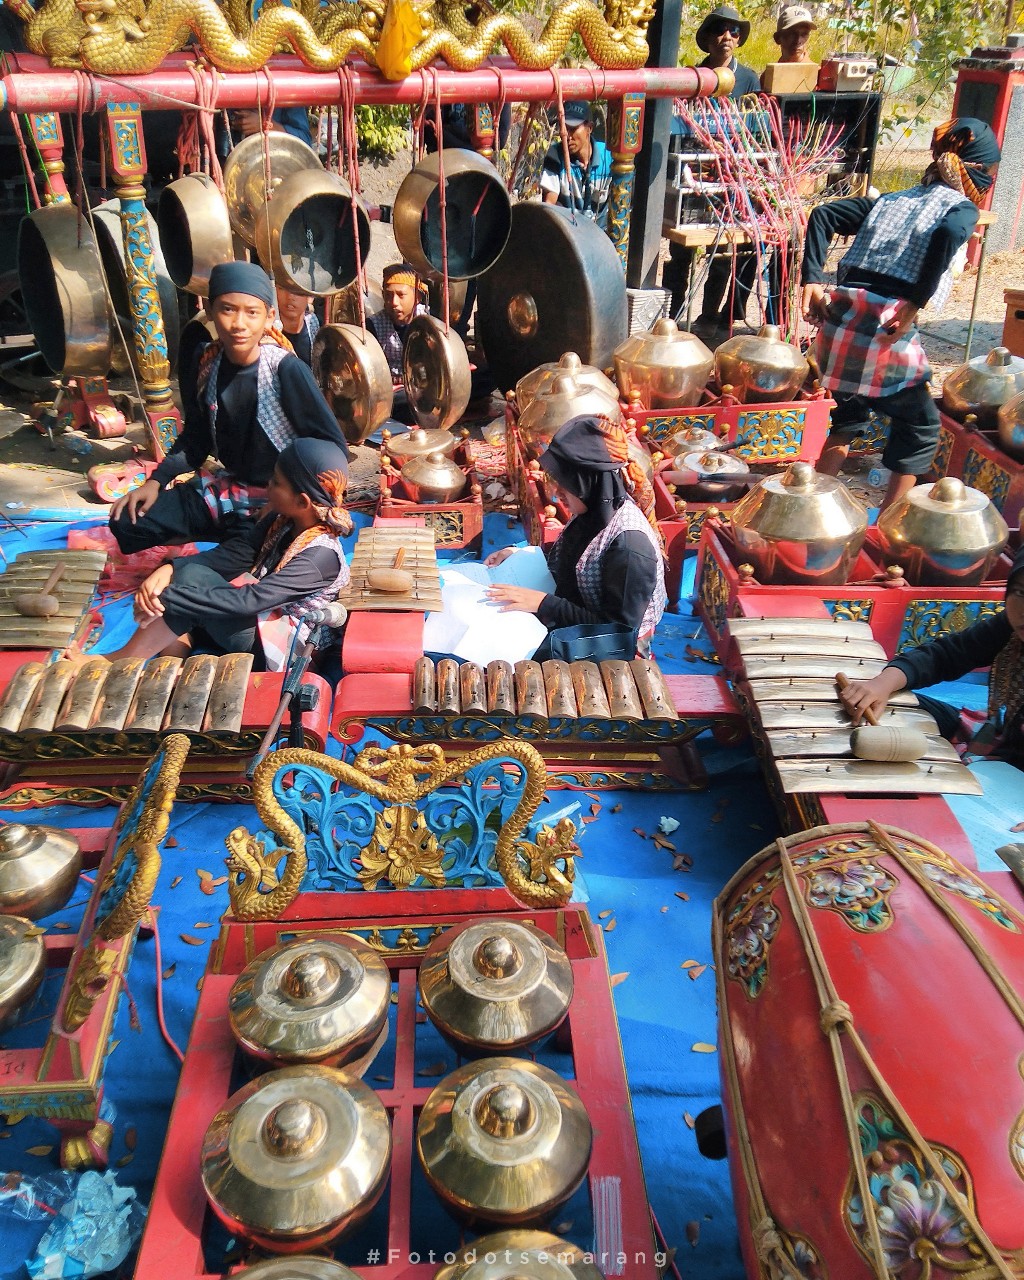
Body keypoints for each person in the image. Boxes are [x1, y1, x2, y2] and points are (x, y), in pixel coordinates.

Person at [801, 117, 1001, 511]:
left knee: (849, 418)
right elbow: (949, 233)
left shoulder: (889, 201)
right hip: (881, 329)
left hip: (839, 328)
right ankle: (890, 522)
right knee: (920, 427)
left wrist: (811, 278)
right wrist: (915, 301)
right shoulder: (961, 209)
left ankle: (809, 507)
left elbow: (823, 215)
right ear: (977, 170)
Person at [109, 262, 348, 556]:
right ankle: (225, 544)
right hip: (228, 491)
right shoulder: (208, 365)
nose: (239, 324)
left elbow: (333, 448)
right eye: (228, 310)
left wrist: (290, 503)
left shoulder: (285, 369)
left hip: (278, 502)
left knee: (226, 564)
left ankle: (234, 552)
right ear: (210, 311)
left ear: (269, 316)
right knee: (127, 520)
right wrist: (157, 481)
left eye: (252, 312)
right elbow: (196, 439)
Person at [89, 439, 352, 672]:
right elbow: (234, 556)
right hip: (264, 617)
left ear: (302, 502)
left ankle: (120, 660)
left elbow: (251, 601)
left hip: (288, 651)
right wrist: (169, 569)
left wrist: (171, 597)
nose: (268, 486)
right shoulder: (282, 520)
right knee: (190, 577)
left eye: (276, 482)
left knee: (191, 588)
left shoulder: (320, 557)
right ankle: (174, 651)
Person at [485, 415, 667, 659]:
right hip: (578, 617)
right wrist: (517, 555)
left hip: (613, 651)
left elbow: (618, 633)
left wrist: (544, 604)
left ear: (587, 481)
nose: (556, 492)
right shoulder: (592, 510)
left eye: (565, 483)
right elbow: (576, 557)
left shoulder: (630, 548)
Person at [839, 547, 1024, 771]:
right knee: (892, 706)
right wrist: (881, 684)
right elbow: (945, 655)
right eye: (1020, 592)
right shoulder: (1009, 627)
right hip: (1002, 736)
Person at [662, 5, 761, 335]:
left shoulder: (749, 79)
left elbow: (757, 130)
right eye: (719, 30)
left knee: (723, 252)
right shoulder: (692, 77)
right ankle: (672, 319)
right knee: (681, 252)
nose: (727, 37)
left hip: (731, 179)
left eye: (734, 31)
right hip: (693, 175)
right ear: (707, 38)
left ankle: (709, 319)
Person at [368, 261, 430, 425]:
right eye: (388, 296)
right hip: (393, 393)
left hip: (425, 384)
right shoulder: (373, 325)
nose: (394, 302)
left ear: (417, 297)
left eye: (401, 295)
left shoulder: (428, 320)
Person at [539, 101, 613, 229]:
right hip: (567, 233)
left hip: (601, 234)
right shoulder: (555, 155)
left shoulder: (608, 158)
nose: (566, 135)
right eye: (563, 128)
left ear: (589, 128)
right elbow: (549, 205)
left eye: (572, 129)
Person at [276, 284, 320, 368]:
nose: (290, 296)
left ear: (310, 296)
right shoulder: (265, 336)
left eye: (297, 289)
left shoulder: (317, 327)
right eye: (282, 288)